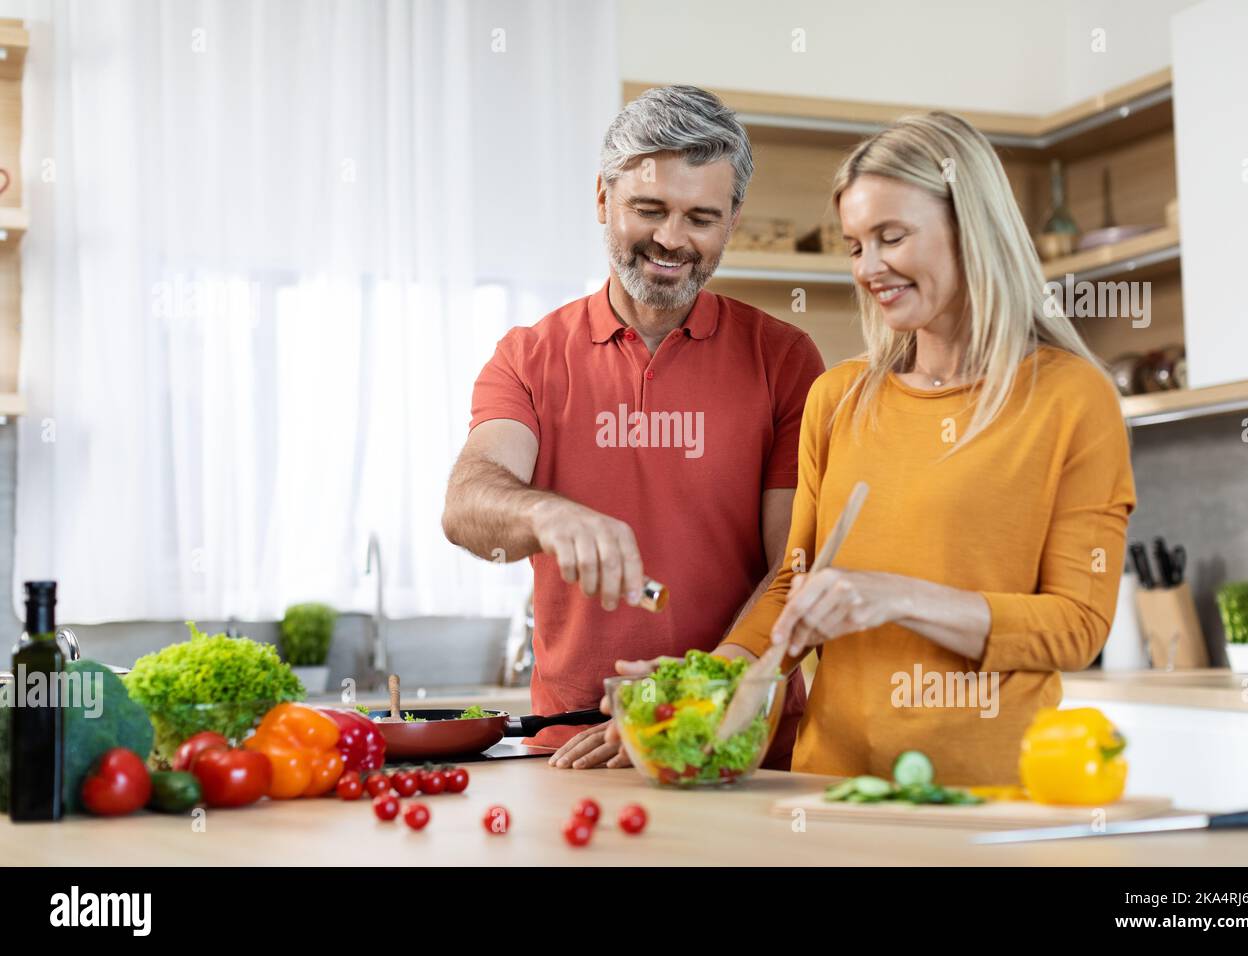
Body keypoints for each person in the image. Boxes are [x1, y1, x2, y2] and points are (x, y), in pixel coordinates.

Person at [701, 111, 1136, 784]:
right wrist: (705, 679)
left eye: (891, 237)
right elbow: (796, 582)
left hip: (990, 800)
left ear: (970, 228)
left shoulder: (1071, 398)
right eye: (854, 245)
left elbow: (1078, 625)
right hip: (832, 792)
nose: (869, 268)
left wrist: (898, 597)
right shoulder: (837, 399)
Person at [442, 86, 825, 769]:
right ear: (602, 199)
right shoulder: (529, 355)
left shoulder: (785, 360)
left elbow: (792, 568)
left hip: (744, 746)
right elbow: (468, 501)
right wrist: (543, 513)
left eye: (701, 217)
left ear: (733, 220)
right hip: (575, 749)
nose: (672, 240)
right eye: (649, 209)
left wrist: (693, 699)